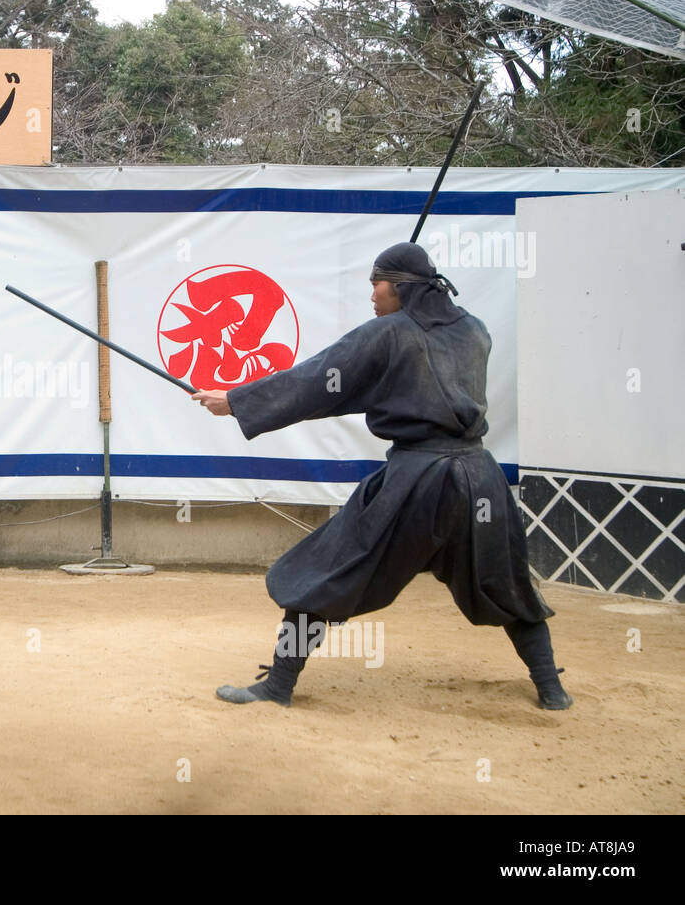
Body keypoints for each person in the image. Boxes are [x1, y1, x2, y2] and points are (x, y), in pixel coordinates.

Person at [193, 242, 572, 711]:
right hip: (480, 479)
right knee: (505, 580)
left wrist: (236, 401)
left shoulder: (388, 333)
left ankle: (279, 685)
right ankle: (551, 688)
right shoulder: (475, 330)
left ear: (402, 287)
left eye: (377, 284)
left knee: (324, 572)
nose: (372, 294)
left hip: (418, 482)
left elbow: (318, 379)